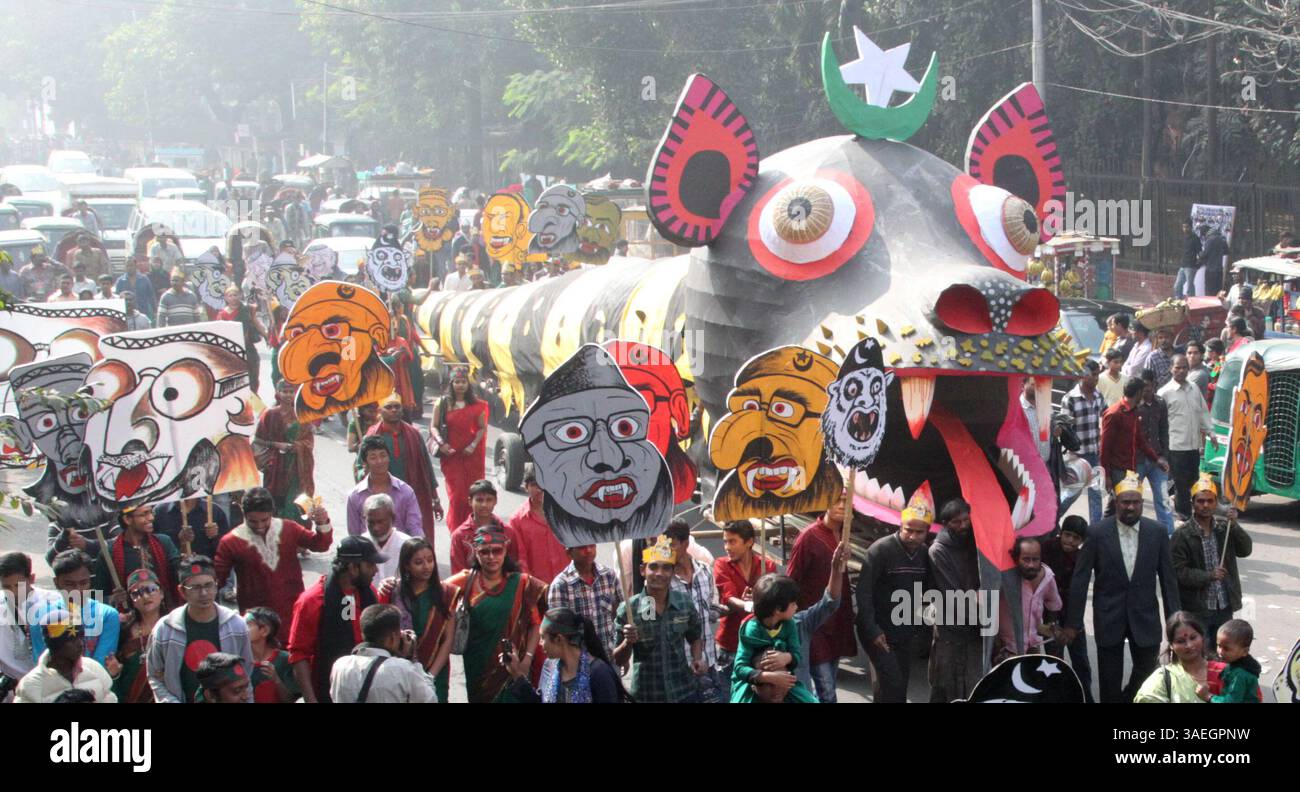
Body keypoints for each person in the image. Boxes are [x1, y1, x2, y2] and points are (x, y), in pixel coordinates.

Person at [1064, 473, 1182, 703]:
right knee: (1109, 681)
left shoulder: (1157, 532)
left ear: (1141, 503)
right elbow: (1080, 580)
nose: (1130, 507)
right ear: (1116, 503)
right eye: (1125, 502)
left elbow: (1169, 581)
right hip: (1109, 618)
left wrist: (1175, 624)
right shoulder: (1097, 533)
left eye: (1135, 502)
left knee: (1148, 675)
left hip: (1145, 618)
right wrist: (1073, 623)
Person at [445, 525, 547, 703]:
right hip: (477, 671)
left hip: (513, 670)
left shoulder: (522, 584)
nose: (491, 557)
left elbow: (535, 623)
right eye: (485, 552)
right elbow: (432, 589)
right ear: (476, 552)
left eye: (497, 551)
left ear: (505, 550)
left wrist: (527, 660)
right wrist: (392, 584)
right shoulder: (465, 581)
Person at [214, 487, 334, 627]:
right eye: (253, 521)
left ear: (272, 513)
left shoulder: (289, 528)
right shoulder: (230, 542)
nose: (259, 526)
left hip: (293, 612)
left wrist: (322, 523)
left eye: (265, 520)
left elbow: (320, 545)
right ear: (243, 513)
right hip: (256, 622)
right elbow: (217, 578)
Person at [857, 487, 932, 703]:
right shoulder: (880, 550)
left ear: (927, 532)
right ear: (900, 526)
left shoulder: (925, 554)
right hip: (878, 631)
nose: (912, 536)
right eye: (908, 530)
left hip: (904, 632)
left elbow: (926, 592)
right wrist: (872, 630)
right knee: (894, 688)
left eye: (919, 532)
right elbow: (864, 593)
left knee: (893, 685)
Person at [287, 536, 382, 703]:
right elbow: (299, 655)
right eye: (370, 565)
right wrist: (311, 700)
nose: (376, 570)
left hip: (369, 688)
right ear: (353, 568)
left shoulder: (369, 592)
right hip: (328, 691)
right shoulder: (311, 602)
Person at [148, 556, 255, 703]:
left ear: (216, 586)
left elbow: (246, 672)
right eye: (195, 588)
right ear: (182, 591)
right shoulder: (165, 628)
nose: (204, 593)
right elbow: (154, 675)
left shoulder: (236, 624)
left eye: (209, 585)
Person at [614, 537, 705, 703]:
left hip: (683, 692)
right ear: (643, 570)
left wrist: (697, 658)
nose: (659, 574)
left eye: (666, 568)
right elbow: (618, 660)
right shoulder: (629, 609)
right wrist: (628, 642)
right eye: (653, 567)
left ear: (673, 571)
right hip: (647, 695)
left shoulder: (684, 602)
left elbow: (695, 636)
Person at [785, 496, 856, 703]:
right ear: (825, 502)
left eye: (847, 501)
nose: (842, 506)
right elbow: (791, 581)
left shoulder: (844, 534)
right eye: (837, 500)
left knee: (828, 684)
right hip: (813, 623)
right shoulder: (808, 537)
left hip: (837, 621)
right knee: (827, 692)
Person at [1171, 474, 1252, 639]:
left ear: (1216, 503)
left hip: (1224, 605)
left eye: (1210, 501)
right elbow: (1178, 572)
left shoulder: (1224, 529)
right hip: (1197, 609)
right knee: (1201, 655)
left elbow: (1245, 550)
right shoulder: (1182, 535)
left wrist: (1234, 525)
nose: (1205, 505)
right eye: (1200, 501)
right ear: (1193, 503)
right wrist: (1209, 576)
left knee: (1223, 656)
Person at [377, 538, 455, 702]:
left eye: (430, 560)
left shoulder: (447, 593)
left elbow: (448, 639)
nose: (427, 566)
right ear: (406, 565)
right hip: (400, 667)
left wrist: (430, 675)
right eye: (419, 562)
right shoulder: (394, 592)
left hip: (436, 669)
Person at [927, 496, 985, 702]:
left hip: (975, 624)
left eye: (966, 520)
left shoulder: (973, 542)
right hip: (950, 625)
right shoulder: (938, 550)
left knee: (974, 681)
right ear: (946, 524)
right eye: (956, 522)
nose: (963, 525)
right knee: (946, 683)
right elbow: (952, 590)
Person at [729, 573, 819, 704]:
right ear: (777, 609)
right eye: (793, 603)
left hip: (783, 682)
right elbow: (740, 668)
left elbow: (797, 655)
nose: (796, 607)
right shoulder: (751, 629)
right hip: (753, 684)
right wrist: (769, 678)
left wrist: (787, 657)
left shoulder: (790, 625)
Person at [364, 391, 443, 541]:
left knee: (417, 540)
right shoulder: (372, 436)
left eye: (397, 406)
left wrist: (436, 500)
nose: (394, 410)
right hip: (384, 498)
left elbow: (426, 468)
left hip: (413, 496)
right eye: (389, 407)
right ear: (380, 411)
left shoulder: (413, 434)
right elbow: (362, 468)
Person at [506, 607, 628, 703]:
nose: (540, 643)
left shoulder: (598, 673)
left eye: (543, 638)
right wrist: (516, 673)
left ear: (559, 639)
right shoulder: (550, 667)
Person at [328, 604, 439, 703]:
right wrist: (413, 659)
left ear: (363, 635)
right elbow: (430, 699)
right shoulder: (403, 669)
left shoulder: (340, 665)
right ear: (392, 638)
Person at [713, 519, 777, 684]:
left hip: (760, 643)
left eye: (732, 541)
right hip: (731, 643)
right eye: (725, 541)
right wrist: (752, 605)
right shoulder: (721, 565)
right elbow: (729, 598)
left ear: (749, 542)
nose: (727, 547)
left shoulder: (767, 566)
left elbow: (773, 600)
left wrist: (758, 602)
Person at [664, 519, 722, 701]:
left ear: (686, 543)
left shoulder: (704, 571)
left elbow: (712, 606)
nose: (668, 551)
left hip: (709, 661)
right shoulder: (661, 580)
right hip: (679, 667)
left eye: (672, 545)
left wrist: (721, 609)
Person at [30, 550, 119, 665]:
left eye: (83, 583)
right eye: (70, 584)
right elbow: (42, 660)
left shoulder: (107, 615)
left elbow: (101, 663)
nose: (78, 590)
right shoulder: (41, 616)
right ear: (56, 583)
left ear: (90, 581)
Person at [1041, 516, 1093, 702]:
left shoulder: (1083, 556)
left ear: (1082, 541)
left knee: (1081, 662)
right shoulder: (1046, 549)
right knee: (1054, 661)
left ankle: (1085, 697)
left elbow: (1078, 593)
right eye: (1067, 535)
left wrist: (1073, 625)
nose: (1070, 541)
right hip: (1049, 615)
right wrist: (1050, 622)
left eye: (1076, 538)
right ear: (1060, 533)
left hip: (1072, 615)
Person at [432, 365, 489, 533]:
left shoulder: (477, 405)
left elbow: (481, 428)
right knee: (457, 498)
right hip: (451, 456)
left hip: (472, 456)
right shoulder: (442, 403)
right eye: (457, 382)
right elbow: (433, 427)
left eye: (463, 382)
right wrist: (442, 444)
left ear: (468, 384)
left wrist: (472, 446)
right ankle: (457, 532)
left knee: (475, 495)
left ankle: (475, 530)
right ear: (451, 383)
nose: (460, 385)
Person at [1159, 355, 1216, 521]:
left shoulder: (1194, 389)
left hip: (1193, 445)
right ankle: (1184, 517)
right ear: (1171, 368)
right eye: (1178, 367)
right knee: (1181, 484)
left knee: (1194, 482)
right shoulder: (1164, 393)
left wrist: (1211, 432)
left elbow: (1203, 412)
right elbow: (1160, 424)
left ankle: (1195, 515)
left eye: (1184, 367)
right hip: (1175, 447)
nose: (1181, 371)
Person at [95, 505, 181, 613]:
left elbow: (178, 575)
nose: (151, 518)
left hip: (164, 614)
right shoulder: (108, 553)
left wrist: (185, 563)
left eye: (151, 512)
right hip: (128, 620)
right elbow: (98, 597)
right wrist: (113, 599)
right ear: (127, 519)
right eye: (144, 514)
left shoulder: (164, 542)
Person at [1100, 378, 1167, 513]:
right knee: (1116, 507)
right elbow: (1104, 449)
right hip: (1117, 469)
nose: (1143, 396)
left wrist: (1156, 459)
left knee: (1123, 508)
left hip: (1130, 469)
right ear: (1137, 393)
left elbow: (1140, 440)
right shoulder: (1114, 414)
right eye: (1142, 392)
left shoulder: (1133, 411)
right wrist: (1106, 476)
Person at [548, 544, 623, 663]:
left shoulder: (609, 576)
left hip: (609, 658)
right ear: (569, 553)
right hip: (578, 664)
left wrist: (621, 650)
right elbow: (557, 631)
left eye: (591, 546)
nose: (588, 551)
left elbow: (620, 612)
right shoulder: (560, 585)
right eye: (582, 547)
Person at [254, 379, 316, 520]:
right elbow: (258, 440)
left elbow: (309, 441)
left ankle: (298, 534)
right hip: (275, 467)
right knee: (276, 503)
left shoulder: (302, 414)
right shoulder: (270, 414)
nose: (288, 395)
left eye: (291, 392)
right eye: (284, 391)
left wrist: (296, 447)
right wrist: (277, 445)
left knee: (296, 503)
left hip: (297, 468)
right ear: (278, 393)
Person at [16, 618, 117, 703]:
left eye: (81, 638)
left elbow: (111, 699)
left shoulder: (93, 667)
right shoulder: (31, 684)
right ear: (56, 645)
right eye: (72, 640)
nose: (81, 644)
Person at [347, 435, 428, 540]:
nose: (379, 461)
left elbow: (415, 528)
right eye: (373, 457)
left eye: (383, 455)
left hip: (400, 550)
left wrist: (420, 546)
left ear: (389, 458)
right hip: (368, 552)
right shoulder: (355, 496)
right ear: (365, 463)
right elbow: (354, 535)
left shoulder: (405, 491)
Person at [995, 537, 1062, 660]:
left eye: (1035, 559)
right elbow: (984, 602)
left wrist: (1052, 625)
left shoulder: (1047, 576)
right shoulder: (1004, 578)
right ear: (1016, 559)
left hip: (1033, 647)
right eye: (1026, 559)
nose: (1031, 565)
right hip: (1006, 648)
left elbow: (1053, 603)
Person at [109, 569, 165, 703]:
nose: (145, 596)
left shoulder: (175, 625)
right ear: (131, 601)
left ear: (161, 593)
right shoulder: (123, 633)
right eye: (136, 593)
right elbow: (118, 673)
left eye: (151, 589)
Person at [1060, 359, 1106, 523]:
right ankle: (1052, 520)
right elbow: (1064, 429)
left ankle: (1096, 529)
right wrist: (1071, 455)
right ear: (1083, 375)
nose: (1096, 378)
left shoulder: (1098, 396)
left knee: (1096, 494)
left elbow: (1105, 418)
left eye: (1097, 375)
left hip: (1093, 453)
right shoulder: (1070, 398)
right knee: (1072, 493)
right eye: (1093, 375)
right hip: (1076, 456)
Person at [1133, 612, 1212, 704]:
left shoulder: (1224, 672)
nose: (1189, 645)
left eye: (1193, 638)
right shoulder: (1161, 680)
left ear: (1202, 637)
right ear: (1171, 645)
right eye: (1180, 641)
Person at [449, 479, 524, 574]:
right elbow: (457, 573)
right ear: (470, 501)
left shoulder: (508, 532)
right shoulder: (459, 536)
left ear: (495, 501)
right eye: (479, 500)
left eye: (489, 500)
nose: (484, 505)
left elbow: (514, 567)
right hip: (471, 586)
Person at [510, 467, 568, 584]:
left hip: (567, 583)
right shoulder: (517, 521)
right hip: (537, 588)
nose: (541, 489)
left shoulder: (567, 513)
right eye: (535, 484)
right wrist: (531, 586)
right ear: (526, 487)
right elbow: (521, 559)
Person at [1135, 369, 1174, 534]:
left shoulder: (1160, 403)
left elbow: (1164, 430)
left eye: (1148, 387)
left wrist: (1165, 456)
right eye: (1143, 387)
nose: (1146, 390)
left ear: (1154, 386)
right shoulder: (1134, 406)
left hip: (1158, 460)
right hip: (1137, 461)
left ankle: (1169, 537)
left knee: (1163, 500)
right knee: (1133, 500)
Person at [217, 285, 266, 397]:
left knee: (253, 377)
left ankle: (254, 403)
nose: (233, 298)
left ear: (240, 296)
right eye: (230, 295)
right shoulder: (222, 314)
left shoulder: (248, 309)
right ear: (226, 298)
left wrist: (268, 336)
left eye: (235, 295)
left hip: (248, 348)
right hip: (231, 350)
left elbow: (256, 323)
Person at [244, 606, 299, 703]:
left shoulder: (285, 659)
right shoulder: (241, 660)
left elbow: (291, 700)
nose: (242, 627)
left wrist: (276, 679)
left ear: (264, 631)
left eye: (248, 624)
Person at [152, 498, 229, 562]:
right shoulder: (160, 511)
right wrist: (181, 544)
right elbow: (155, 548)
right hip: (174, 572)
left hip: (210, 572)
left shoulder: (214, 511)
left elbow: (225, 552)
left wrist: (215, 536)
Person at [362, 493, 415, 581]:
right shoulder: (360, 546)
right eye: (371, 522)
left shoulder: (407, 545)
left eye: (381, 522)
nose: (376, 528)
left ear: (393, 518)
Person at [1211, 619, 1261, 703]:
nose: (1220, 651)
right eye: (1219, 646)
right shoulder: (1236, 665)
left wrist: (1209, 697)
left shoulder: (1240, 674)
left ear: (1244, 651)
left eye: (1226, 649)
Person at [116, 256, 157, 323]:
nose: (129, 268)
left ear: (135, 266)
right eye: (127, 266)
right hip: (127, 314)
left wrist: (155, 311)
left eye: (131, 265)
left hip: (143, 311)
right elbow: (117, 298)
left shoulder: (144, 279)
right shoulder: (120, 281)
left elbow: (151, 296)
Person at [1199, 224, 1229, 297]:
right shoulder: (1221, 238)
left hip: (1210, 269)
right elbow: (1226, 251)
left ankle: (1209, 307)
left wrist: (1199, 254)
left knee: (1209, 291)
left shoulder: (1209, 240)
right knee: (1218, 290)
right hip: (1219, 270)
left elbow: (1205, 254)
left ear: (1205, 233)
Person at [1175, 219, 1202, 298]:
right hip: (1183, 265)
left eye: (1187, 227)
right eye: (1183, 227)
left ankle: (1191, 304)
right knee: (1177, 286)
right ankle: (1179, 303)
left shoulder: (1195, 238)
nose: (1185, 229)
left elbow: (1200, 252)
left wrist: (1198, 264)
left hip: (1190, 266)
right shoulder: (1184, 238)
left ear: (1191, 227)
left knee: (1189, 288)